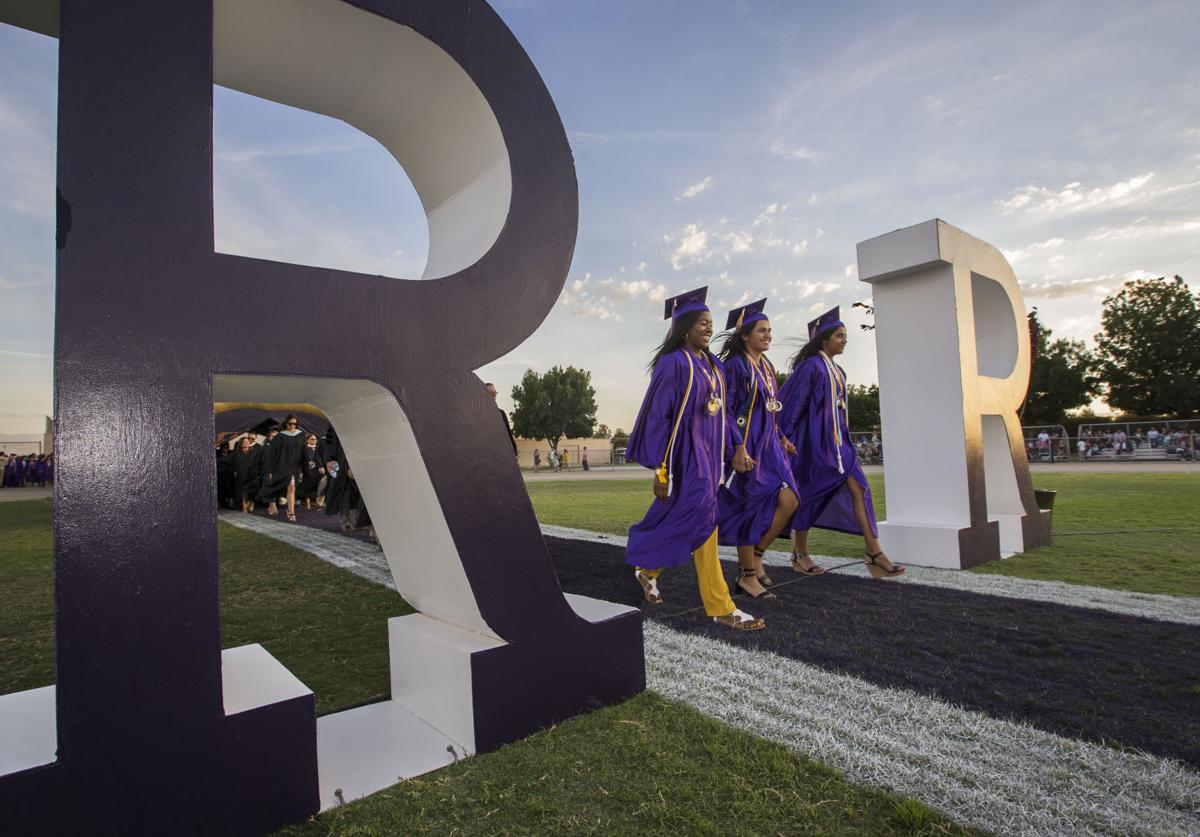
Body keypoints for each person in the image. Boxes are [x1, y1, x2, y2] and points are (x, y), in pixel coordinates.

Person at [625, 286, 764, 631]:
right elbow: (658, 416)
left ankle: (649, 569)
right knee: (705, 519)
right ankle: (721, 606)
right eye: (702, 322)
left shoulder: (713, 366)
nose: (709, 327)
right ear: (684, 327)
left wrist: (737, 447)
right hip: (685, 457)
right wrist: (661, 470)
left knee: (694, 519)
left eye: (711, 323)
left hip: (710, 456)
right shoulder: (673, 363)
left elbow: (724, 412)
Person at [780, 306, 905, 579]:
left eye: (845, 336)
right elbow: (793, 403)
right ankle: (799, 552)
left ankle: (874, 552)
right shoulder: (811, 367)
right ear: (824, 339)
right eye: (839, 335)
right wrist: (783, 436)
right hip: (814, 445)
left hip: (840, 446)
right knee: (810, 494)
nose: (844, 340)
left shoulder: (839, 371)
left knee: (860, 489)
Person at [716, 298, 808, 599]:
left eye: (769, 330)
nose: (768, 335)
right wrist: (737, 447)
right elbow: (727, 411)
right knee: (750, 505)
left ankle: (757, 554)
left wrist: (781, 436)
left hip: (770, 445)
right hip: (747, 445)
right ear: (745, 335)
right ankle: (746, 576)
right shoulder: (736, 366)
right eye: (762, 330)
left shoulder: (766, 366)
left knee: (791, 500)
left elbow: (770, 408)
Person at [256, 415, 306, 522]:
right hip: (282, 466)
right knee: (279, 486)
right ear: (286, 424)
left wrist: (308, 463)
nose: (292, 426)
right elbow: (273, 455)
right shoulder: (280, 436)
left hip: (295, 466)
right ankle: (272, 504)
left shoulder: (300, 435)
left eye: (294, 424)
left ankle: (291, 512)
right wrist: (270, 470)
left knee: (291, 488)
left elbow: (304, 450)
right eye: (290, 423)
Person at [485, 382, 518, 456]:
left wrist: (514, 453)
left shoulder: (501, 413)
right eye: (491, 393)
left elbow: (508, 434)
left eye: (495, 393)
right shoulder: (477, 414)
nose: (494, 396)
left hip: (499, 453)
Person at [232, 435, 260, 513]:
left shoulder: (253, 452)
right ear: (241, 444)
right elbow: (232, 463)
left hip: (252, 475)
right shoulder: (237, 453)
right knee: (243, 491)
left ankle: (250, 503)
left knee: (252, 491)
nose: (247, 442)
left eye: (247, 441)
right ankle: (244, 507)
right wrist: (234, 470)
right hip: (241, 475)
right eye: (245, 442)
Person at [298, 433, 325, 509]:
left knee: (320, 486)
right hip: (308, 471)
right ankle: (307, 502)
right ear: (307, 440)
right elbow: (302, 460)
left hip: (318, 471)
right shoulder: (304, 449)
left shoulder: (319, 448)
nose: (314, 441)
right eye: (312, 439)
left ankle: (319, 503)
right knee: (308, 486)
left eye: (315, 439)